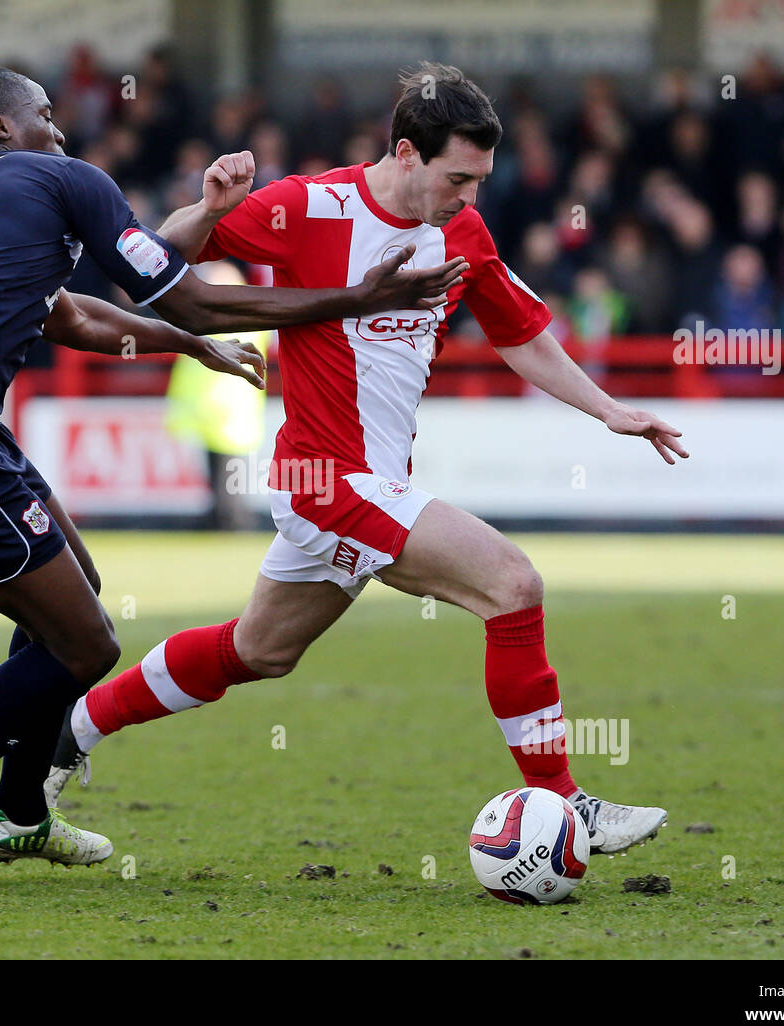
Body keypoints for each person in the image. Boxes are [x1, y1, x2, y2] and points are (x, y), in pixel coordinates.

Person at [0, 67, 462, 887]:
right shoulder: (63, 179)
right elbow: (193, 294)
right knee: (89, 643)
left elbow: (72, 314)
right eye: (45, 116)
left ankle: (19, 810)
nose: (60, 131)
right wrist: (352, 298)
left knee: (76, 590)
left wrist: (184, 345)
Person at [46, 64, 688, 856]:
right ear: (408, 153)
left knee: (259, 651)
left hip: (374, 482)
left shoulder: (464, 232)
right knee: (512, 584)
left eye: (482, 180)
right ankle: (564, 802)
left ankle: (72, 728)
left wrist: (609, 410)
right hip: (325, 479)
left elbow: (520, 336)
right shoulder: (308, 205)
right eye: (458, 177)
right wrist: (208, 209)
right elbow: (149, 264)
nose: (469, 198)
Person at [164, 259, 268, 530]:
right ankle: (226, 522)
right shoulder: (251, 311)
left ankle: (231, 525)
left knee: (227, 481)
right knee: (224, 477)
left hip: (223, 404)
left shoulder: (223, 316)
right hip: (224, 405)